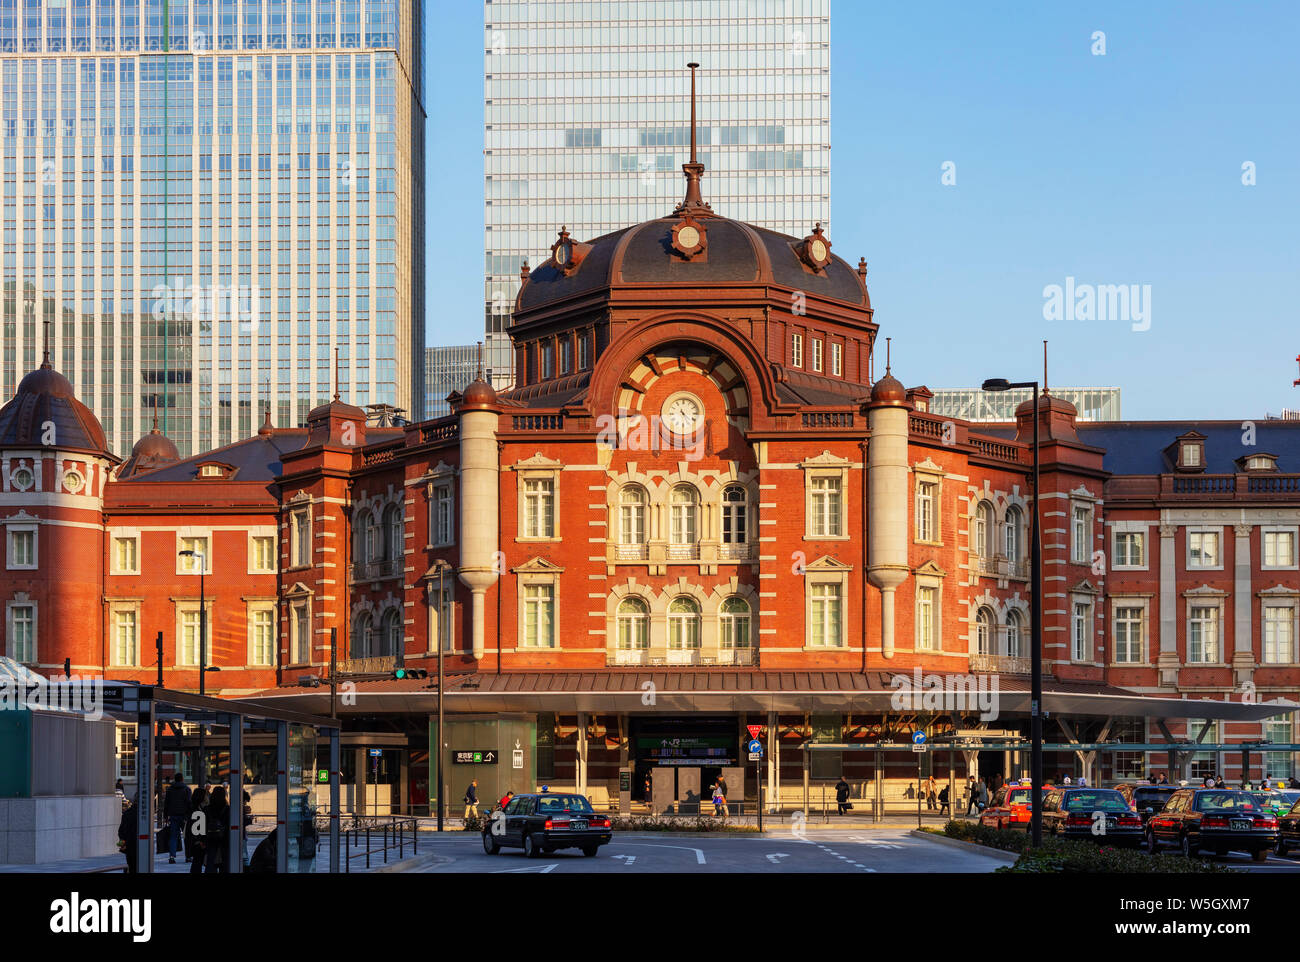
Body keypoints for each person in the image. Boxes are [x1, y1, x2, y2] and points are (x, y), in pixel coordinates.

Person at [162, 773, 191, 864]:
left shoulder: (170, 789)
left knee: (173, 837)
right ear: (182, 779)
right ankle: (188, 856)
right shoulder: (187, 789)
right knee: (187, 837)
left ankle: (172, 857)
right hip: (184, 816)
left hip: (173, 815)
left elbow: (166, 803)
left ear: (175, 779)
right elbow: (189, 803)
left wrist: (165, 816)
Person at [204, 786, 231, 874]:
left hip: (210, 839)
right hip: (225, 840)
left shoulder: (207, 809)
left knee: (211, 862)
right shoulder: (228, 809)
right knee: (225, 864)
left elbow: (203, 825)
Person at [186, 787, 209, 875]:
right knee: (197, 862)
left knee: (197, 863)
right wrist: (200, 841)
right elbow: (196, 828)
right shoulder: (197, 811)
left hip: (196, 841)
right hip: (198, 842)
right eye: (206, 795)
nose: (207, 797)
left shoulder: (195, 808)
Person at [117, 795, 138, 874]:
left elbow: (121, 831)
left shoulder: (127, 813)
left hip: (129, 846)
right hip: (141, 846)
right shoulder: (145, 816)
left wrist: (123, 841)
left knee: (131, 867)